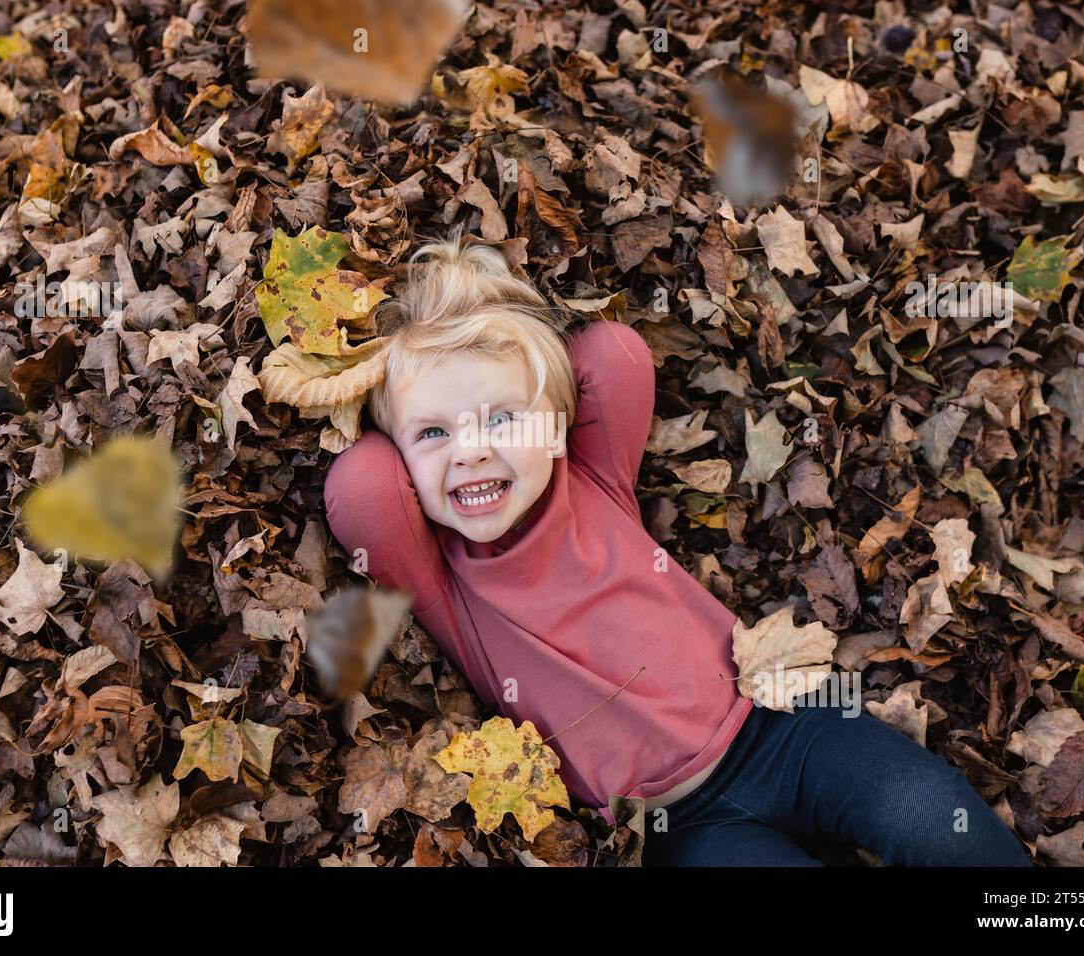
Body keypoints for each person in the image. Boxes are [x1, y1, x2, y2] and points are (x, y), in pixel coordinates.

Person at [323, 235, 1032, 867]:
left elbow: (613, 352)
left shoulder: (592, 478)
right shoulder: (444, 582)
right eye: (435, 435)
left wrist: (517, 381)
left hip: (781, 727)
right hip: (676, 829)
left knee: (936, 816)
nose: (473, 451)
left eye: (501, 418)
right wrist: (397, 407)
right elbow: (361, 490)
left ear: (559, 422)